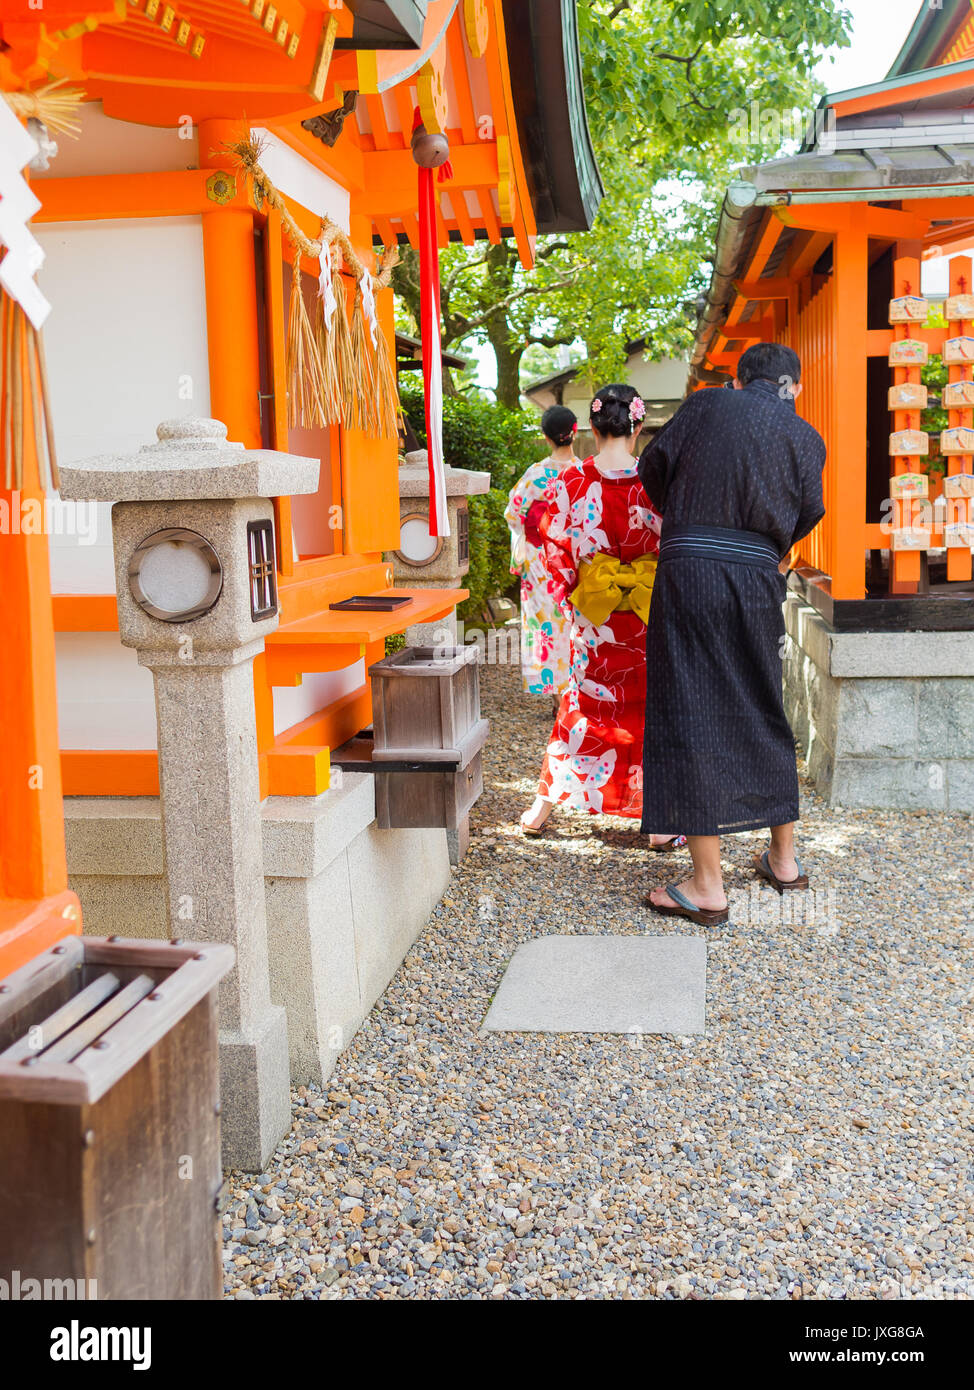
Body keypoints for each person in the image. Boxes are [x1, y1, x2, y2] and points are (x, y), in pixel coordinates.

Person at [637, 342, 826, 925]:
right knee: (762, 701)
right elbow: (808, 512)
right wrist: (759, 545)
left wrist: (694, 513)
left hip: (689, 567)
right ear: (790, 386)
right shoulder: (805, 437)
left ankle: (708, 884)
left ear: (740, 380)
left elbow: (654, 468)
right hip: (754, 576)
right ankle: (785, 861)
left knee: (688, 707)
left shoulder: (704, 405)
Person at [520, 385, 681, 847]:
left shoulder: (569, 482)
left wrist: (574, 592)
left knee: (583, 705)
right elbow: (675, 544)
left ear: (591, 429)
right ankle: (661, 820)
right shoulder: (658, 483)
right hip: (650, 616)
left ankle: (542, 807)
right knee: (651, 711)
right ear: (638, 428)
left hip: (594, 619)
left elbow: (553, 552)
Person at [505, 405, 579, 708]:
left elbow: (514, 514)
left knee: (544, 621)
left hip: (540, 559)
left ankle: (555, 691)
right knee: (574, 620)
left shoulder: (535, 475)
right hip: (574, 558)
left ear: (546, 437)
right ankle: (575, 688)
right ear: (575, 431)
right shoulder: (583, 471)